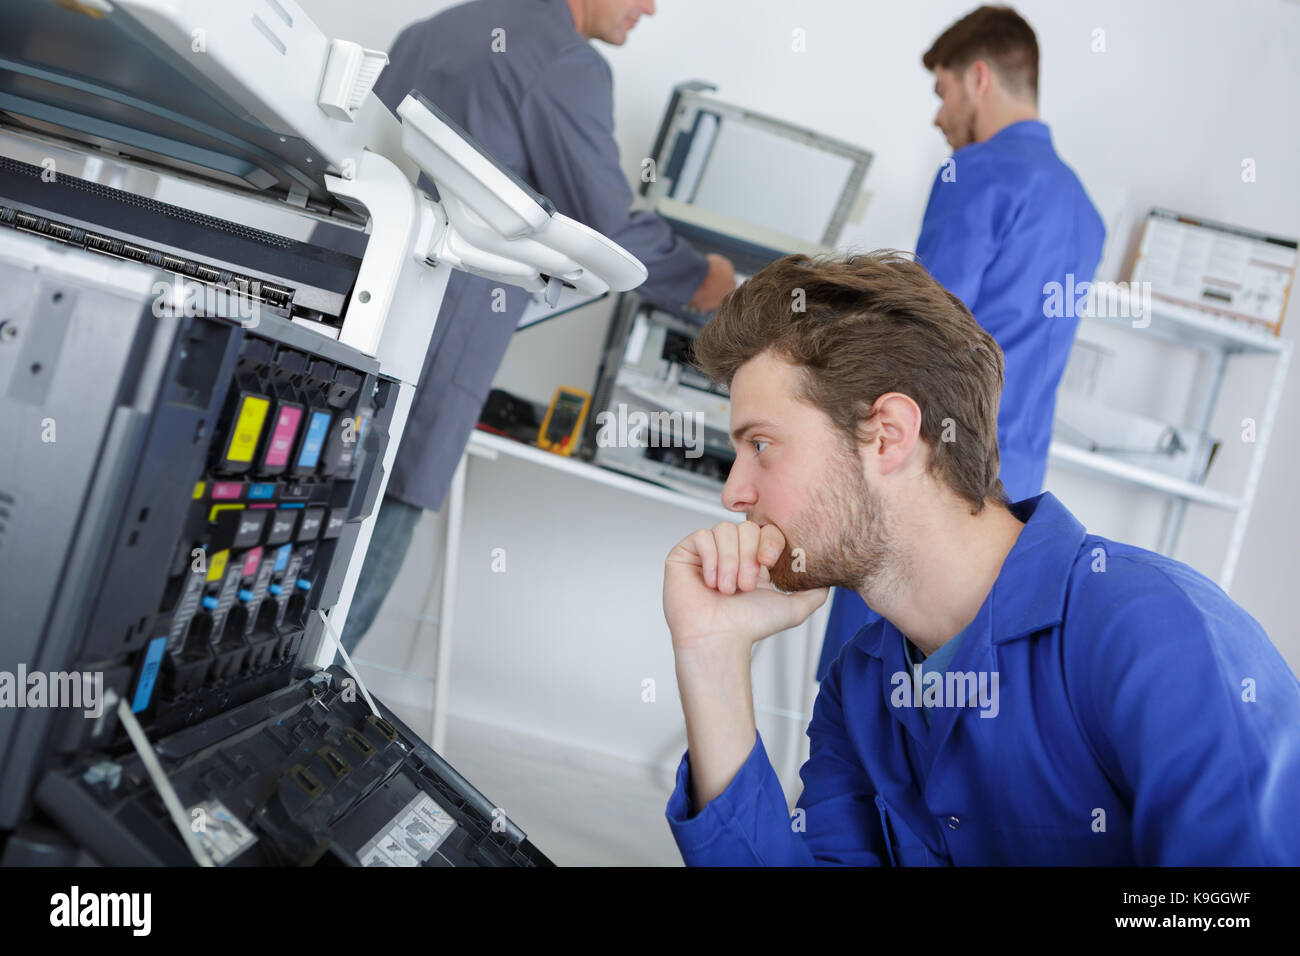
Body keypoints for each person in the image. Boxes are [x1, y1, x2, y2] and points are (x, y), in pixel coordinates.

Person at [661, 251, 1300, 866]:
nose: (733, 492)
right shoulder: (860, 688)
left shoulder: (1153, 630)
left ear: (888, 435)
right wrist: (712, 654)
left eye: (762, 444)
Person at [337, 0, 736, 652]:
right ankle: (309, 702)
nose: (651, 8)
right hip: (442, 330)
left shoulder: (439, 27)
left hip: (356, 303)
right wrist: (703, 278)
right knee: (390, 504)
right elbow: (607, 221)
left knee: (305, 501)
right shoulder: (567, 61)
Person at [820, 5, 1106, 680]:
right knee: (949, 688)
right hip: (1010, 492)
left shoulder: (975, 173)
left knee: (862, 683)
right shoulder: (1082, 209)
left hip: (923, 471)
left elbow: (917, 329)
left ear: (979, 78)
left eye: (941, 92)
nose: (937, 116)